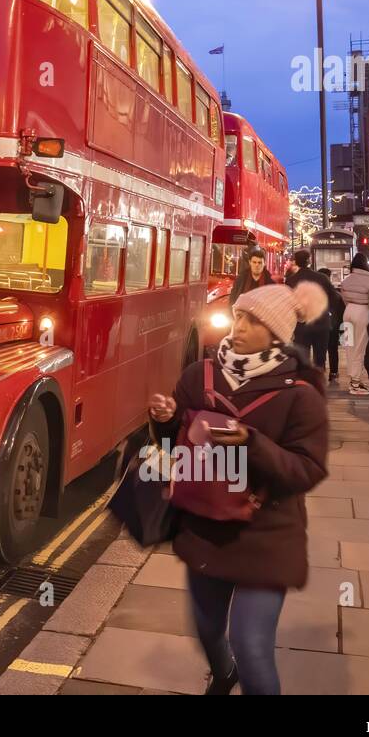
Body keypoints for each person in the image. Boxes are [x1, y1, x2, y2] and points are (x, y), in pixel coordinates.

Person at [147, 280, 329, 696]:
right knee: (209, 631)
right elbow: (177, 447)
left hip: (266, 536)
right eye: (239, 316)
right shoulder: (200, 374)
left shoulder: (301, 395)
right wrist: (167, 419)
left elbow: (307, 470)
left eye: (253, 321)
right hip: (205, 528)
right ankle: (223, 673)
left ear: (278, 333)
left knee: (252, 645)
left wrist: (254, 444)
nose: (238, 327)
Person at [285, 249, 341, 372]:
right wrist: (328, 311)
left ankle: (304, 384)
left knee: (302, 358)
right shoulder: (322, 278)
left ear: (296, 262)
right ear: (309, 261)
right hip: (321, 323)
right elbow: (335, 297)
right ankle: (319, 383)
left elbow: (288, 304)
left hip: (301, 325)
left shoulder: (290, 281)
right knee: (320, 359)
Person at [338, 253, 369, 396]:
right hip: (363, 312)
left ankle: (354, 380)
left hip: (347, 312)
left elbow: (343, 299)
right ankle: (355, 383)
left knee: (349, 346)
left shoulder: (346, 280)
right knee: (360, 348)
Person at [318, 267, 342, 382]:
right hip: (333, 325)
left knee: (320, 348)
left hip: (319, 325)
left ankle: (320, 369)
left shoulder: (315, 294)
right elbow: (341, 312)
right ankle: (333, 372)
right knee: (333, 349)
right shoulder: (336, 294)